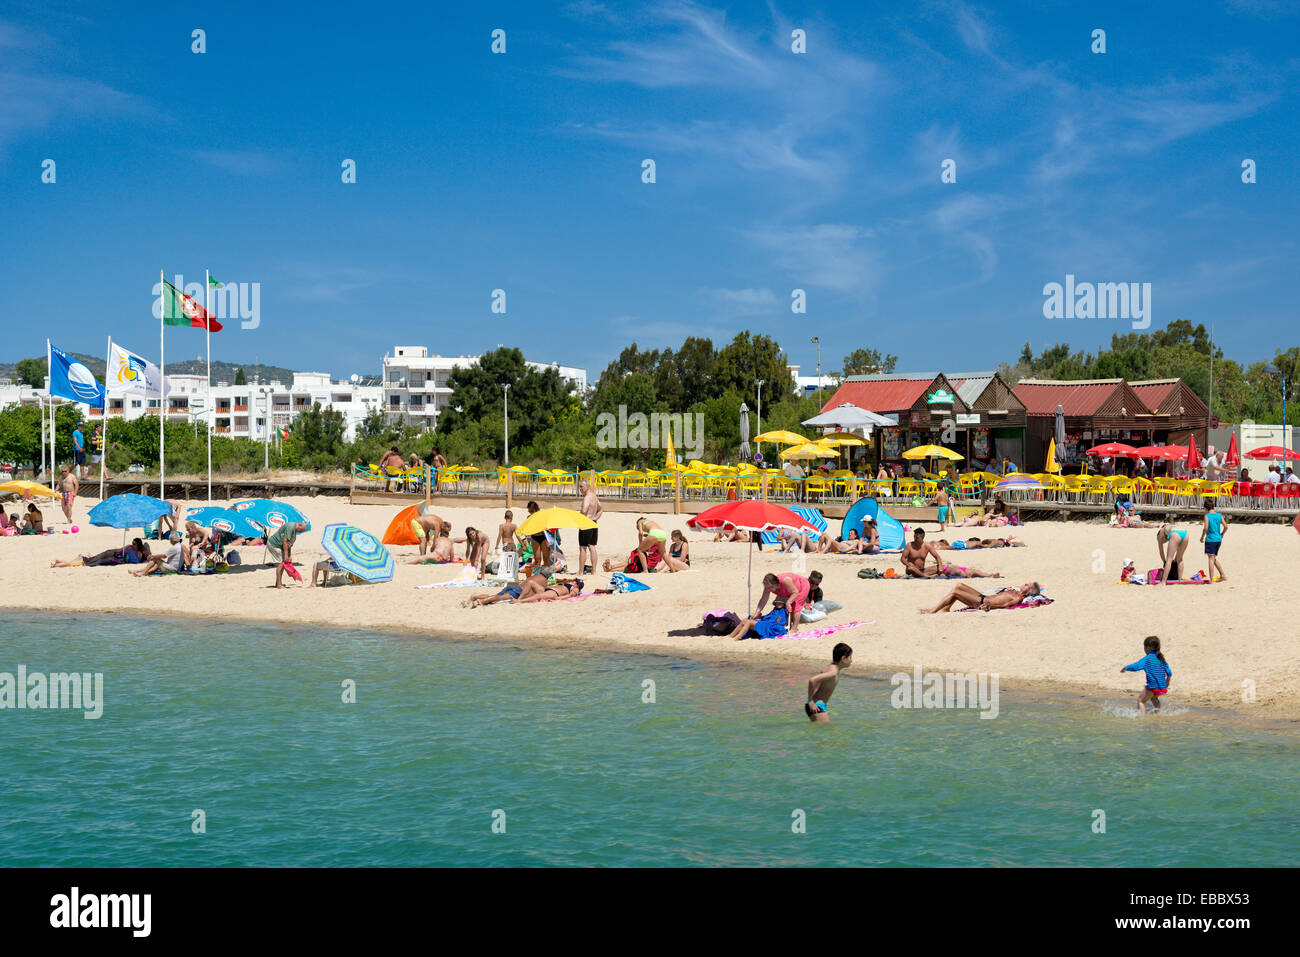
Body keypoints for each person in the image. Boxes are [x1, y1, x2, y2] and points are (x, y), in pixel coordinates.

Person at [1121, 635, 1172, 715]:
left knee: (1140, 701)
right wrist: (1167, 681)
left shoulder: (1147, 659)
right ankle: (1158, 714)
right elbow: (1169, 672)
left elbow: (1136, 666)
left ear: (1148, 648)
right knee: (1154, 699)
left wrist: (1126, 668)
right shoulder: (1161, 659)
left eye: (1144, 647)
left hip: (1152, 687)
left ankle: (1142, 718)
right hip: (1162, 688)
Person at [920, 581, 1042, 614]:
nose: (1024, 584)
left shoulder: (1018, 598)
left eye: (1027, 585)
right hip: (983, 597)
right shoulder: (1014, 591)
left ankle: (932, 610)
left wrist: (990, 606)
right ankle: (946, 609)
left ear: (1028, 592)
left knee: (955, 592)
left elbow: (1005, 605)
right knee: (959, 585)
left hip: (982, 602)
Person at [804, 643, 853, 722]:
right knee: (826, 732)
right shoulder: (833, 672)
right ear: (843, 658)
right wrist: (811, 701)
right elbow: (812, 680)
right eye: (850, 657)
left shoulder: (830, 667)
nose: (851, 660)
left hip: (814, 704)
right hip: (817, 706)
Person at [724, 596, 789, 641]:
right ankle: (731, 636)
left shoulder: (783, 611)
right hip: (766, 624)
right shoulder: (775, 609)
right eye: (777, 602)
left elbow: (780, 622)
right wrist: (760, 618)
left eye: (781, 603)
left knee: (749, 622)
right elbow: (768, 617)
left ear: (784, 604)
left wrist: (778, 620)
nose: (779, 604)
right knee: (745, 620)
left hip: (771, 627)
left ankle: (737, 638)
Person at [269, 520, 308, 588]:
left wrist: (289, 555)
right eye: (301, 530)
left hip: (280, 546)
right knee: (281, 564)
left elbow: (289, 544)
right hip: (274, 544)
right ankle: (279, 584)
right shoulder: (290, 527)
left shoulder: (294, 531)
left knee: (283, 564)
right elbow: (285, 541)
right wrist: (286, 555)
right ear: (299, 525)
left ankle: (278, 583)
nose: (301, 532)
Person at [578, 478, 602, 574]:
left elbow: (584, 510)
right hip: (593, 523)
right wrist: (595, 518)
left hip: (586, 523)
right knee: (592, 546)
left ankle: (580, 571)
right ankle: (594, 571)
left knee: (583, 547)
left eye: (581, 487)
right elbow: (601, 509)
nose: (580, 489)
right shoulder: (594, 496)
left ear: (587, 487)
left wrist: (579, 515)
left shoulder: (587, 497)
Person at [1200, 499, 1227, 583]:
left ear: (1205, 507)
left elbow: (1205, 528)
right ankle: (1222, 575)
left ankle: (1211, 580)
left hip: (1211, 539)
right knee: (1213, 558)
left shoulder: (1207, 516)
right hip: (1218, 539)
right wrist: (1222, 534)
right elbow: (1226, 526)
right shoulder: (1219, 515)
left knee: (1211, 559)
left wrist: (1202, 537)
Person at [517, 578, 585, 603]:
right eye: (575, 581)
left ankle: (519, 601)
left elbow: (568, 596)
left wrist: (556, 599)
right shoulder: (571, 585)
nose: (574, 582)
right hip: (547, 589)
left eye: (576, 583)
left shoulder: (576, 589)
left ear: (579, 586)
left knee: (538, 595)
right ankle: (520, 598)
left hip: (554, 593)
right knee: (530, 582)